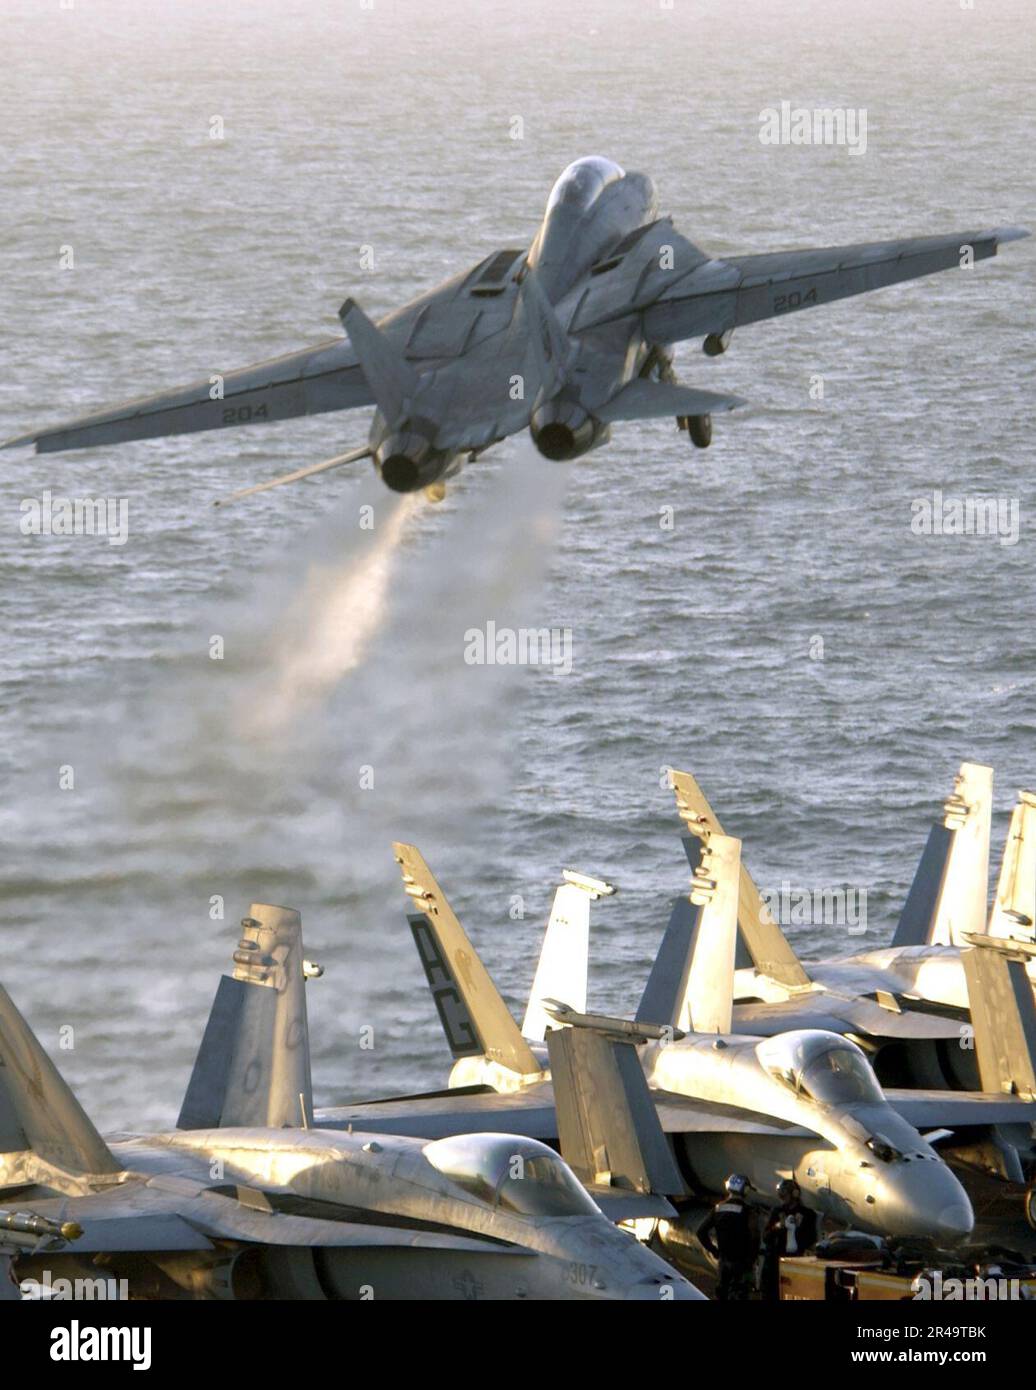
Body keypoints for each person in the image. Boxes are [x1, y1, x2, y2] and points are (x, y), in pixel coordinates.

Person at [698, 1174, 759, 1300]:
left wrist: (714, 1251)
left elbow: (701, 1232)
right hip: (741, 1263)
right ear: (745, 1189)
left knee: (722, 1294)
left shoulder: (718, 1208)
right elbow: (754, 1237)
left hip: (723, 1261)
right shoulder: (748, 1211)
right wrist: (751, 1260)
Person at [760, 1179, 818, 1301]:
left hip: (794, 1262)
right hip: (774, 1263)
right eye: (780, 1195)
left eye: (784, 1194)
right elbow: (766, 1237)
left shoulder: (807, 1214)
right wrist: (777, 1227)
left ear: (794, 1194)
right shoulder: (777, 1212)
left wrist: (798, 1229)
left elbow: (811, 1239)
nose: (782, 1198)